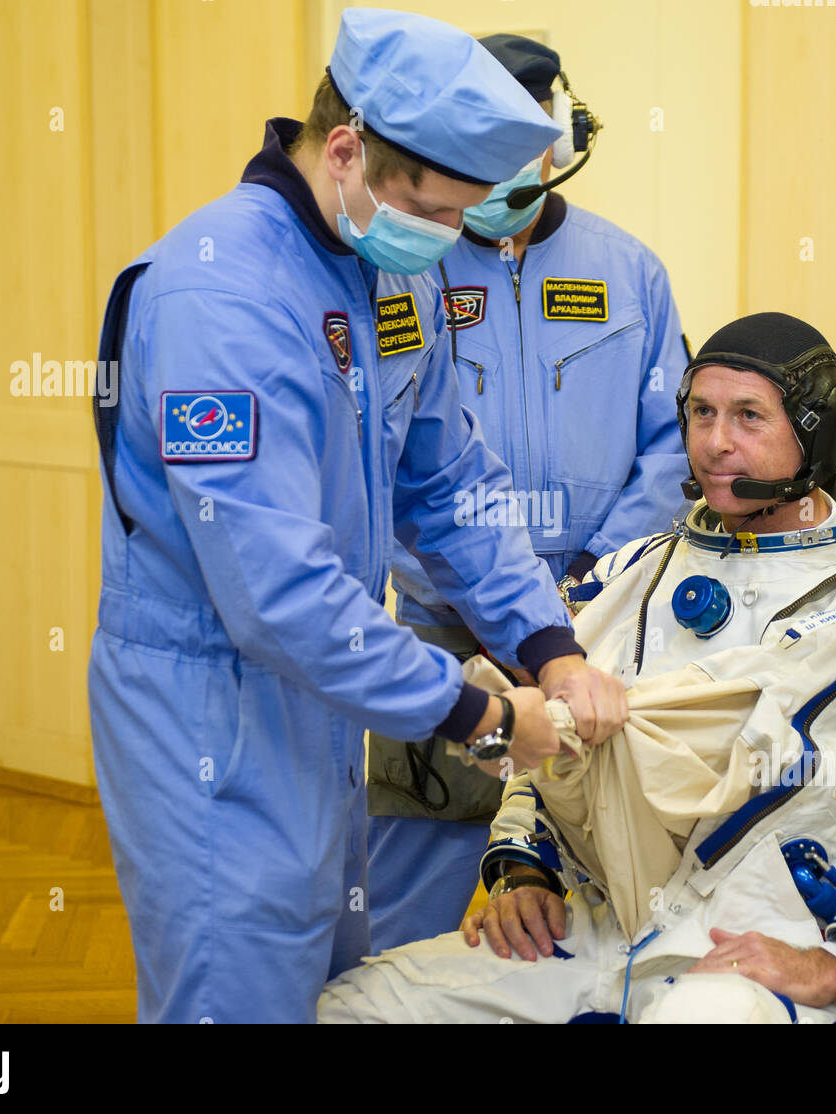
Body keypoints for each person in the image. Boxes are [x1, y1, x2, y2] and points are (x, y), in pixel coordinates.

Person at [87, 7, 627, 1024]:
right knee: (234, 985)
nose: (447, 239)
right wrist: (481, 714)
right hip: (214, 711)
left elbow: (449, 482)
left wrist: (546, 644)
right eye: (434, 210)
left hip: (326, 706)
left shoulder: (385, 270)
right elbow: (274, 594)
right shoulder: (220, 299)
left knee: (330, 987)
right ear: (345, 150)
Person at [319, 311, 836, 1024]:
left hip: (772, 948)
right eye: (701, 412)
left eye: (749, 417)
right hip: (602, 935)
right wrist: (523, 871)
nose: (716, 442)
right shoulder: (622, 581)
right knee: (356, 1006)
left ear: (817, 433)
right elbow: (555, 755)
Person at [367, 34, 690, 951]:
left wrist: (585, 589)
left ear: (561, 142)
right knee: (405, 900)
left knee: (581, 893)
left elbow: (672, 449)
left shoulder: (630, 273)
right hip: (443, 639)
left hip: (597, 639)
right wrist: (485, 604)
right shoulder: (405, 267)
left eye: (526, 151)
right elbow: (386, 464)